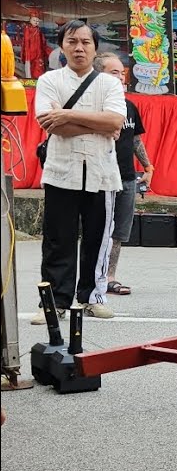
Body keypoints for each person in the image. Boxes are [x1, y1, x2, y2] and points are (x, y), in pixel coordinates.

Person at [31, 21, 124, 325]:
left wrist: (67, 114)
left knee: (98, 238)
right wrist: (96, 123)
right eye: (72, 41)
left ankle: (92, 297)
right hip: (61, 172)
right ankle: (55, 302)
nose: (79, 47)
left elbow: (115, 122)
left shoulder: (109, 83)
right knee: (59, 239)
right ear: (62, 46)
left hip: (101, 172)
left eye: (86, 42)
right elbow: (49, 123)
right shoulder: (49, 80)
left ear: (95, 48)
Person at [94, 52, 153, 297]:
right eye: (113, 72)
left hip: (126, 177)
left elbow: (135, 139)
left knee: (119, 231)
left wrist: (148, 167)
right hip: (100, 177)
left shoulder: (129, 106)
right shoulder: (94, 105)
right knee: (98, 229)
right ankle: (92, 276)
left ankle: (110, 277)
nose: (120, 77)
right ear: (99, 76)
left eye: (122, 73)